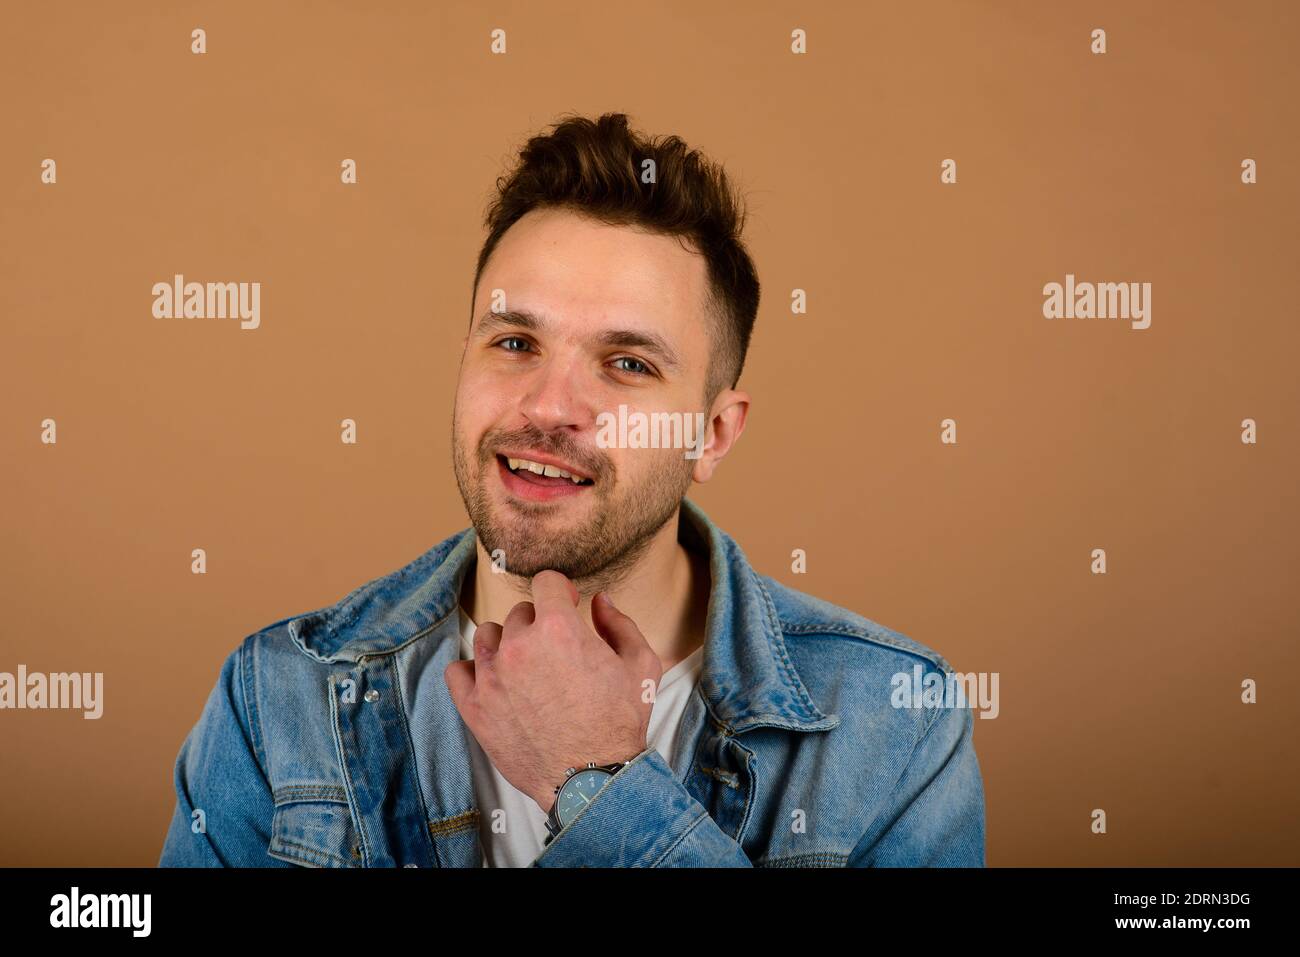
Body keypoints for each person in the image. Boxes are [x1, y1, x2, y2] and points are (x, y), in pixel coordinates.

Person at [159, 112, 985, 868]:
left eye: (628, 364)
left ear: (713, 433)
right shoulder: (280, 696)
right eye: (514, 341)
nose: (548, 407)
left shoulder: (894, 722)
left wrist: (599, 783)